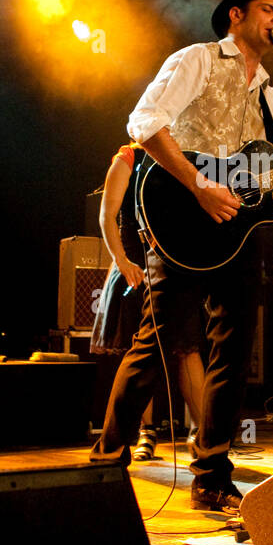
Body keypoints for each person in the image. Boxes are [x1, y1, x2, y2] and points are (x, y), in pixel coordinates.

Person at [88, 0, 273, 511]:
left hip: (236, 235)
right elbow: (143, 122)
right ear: (236, 14)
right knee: (156, 346)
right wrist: (199, 185)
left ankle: (212, 474)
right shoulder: (197, 58)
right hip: (180, 219)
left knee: (234, 352)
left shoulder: (266, 88)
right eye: (268, 7)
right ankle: (106, 460)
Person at [90, 141, 203, 460]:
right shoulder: (129, 157)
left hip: (172, 267)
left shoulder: (183, 160)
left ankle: (203, 434)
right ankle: (146, 433)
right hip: (134, 267)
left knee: (188, 348)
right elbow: (107, 215)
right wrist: (122, 260)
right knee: (141, 351)